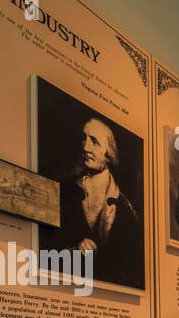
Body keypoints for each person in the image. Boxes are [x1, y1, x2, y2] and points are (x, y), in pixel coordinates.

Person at [49, 116, 141, 289]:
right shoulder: (65, 190)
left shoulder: (125, 209)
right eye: (84, 138)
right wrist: (75, 250)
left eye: (94, 142)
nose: (85, 147)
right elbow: (46, 247)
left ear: (109, 154)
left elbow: (129, 268)